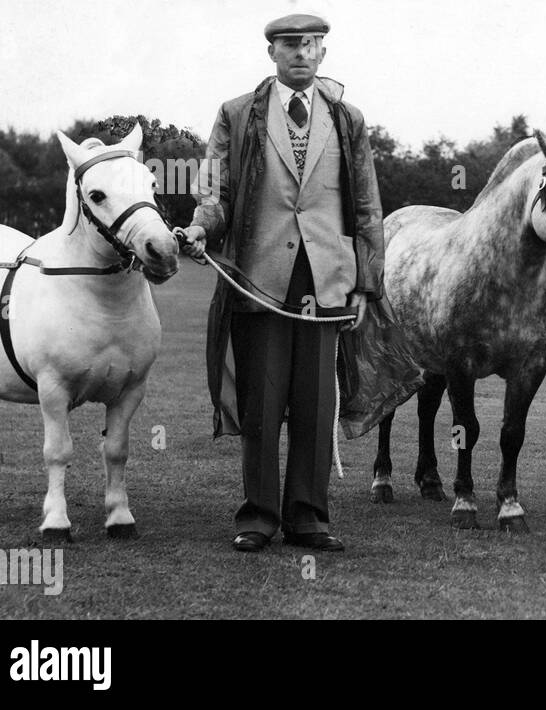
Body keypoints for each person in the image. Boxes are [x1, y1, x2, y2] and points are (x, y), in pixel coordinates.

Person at [179, 13, 385, 552]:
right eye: (290, 44)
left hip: (326, 280)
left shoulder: (347, 118)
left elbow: (366, 205)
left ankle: (309, 517)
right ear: (271, 52)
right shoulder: (236, 113)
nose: (302, 52)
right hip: (257, 278)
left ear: (323, 52)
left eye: (311, 44)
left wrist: (366, 282)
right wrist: (202, 226)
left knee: (316, 404)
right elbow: (215, 191)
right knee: (262, 404)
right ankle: (259, 516)